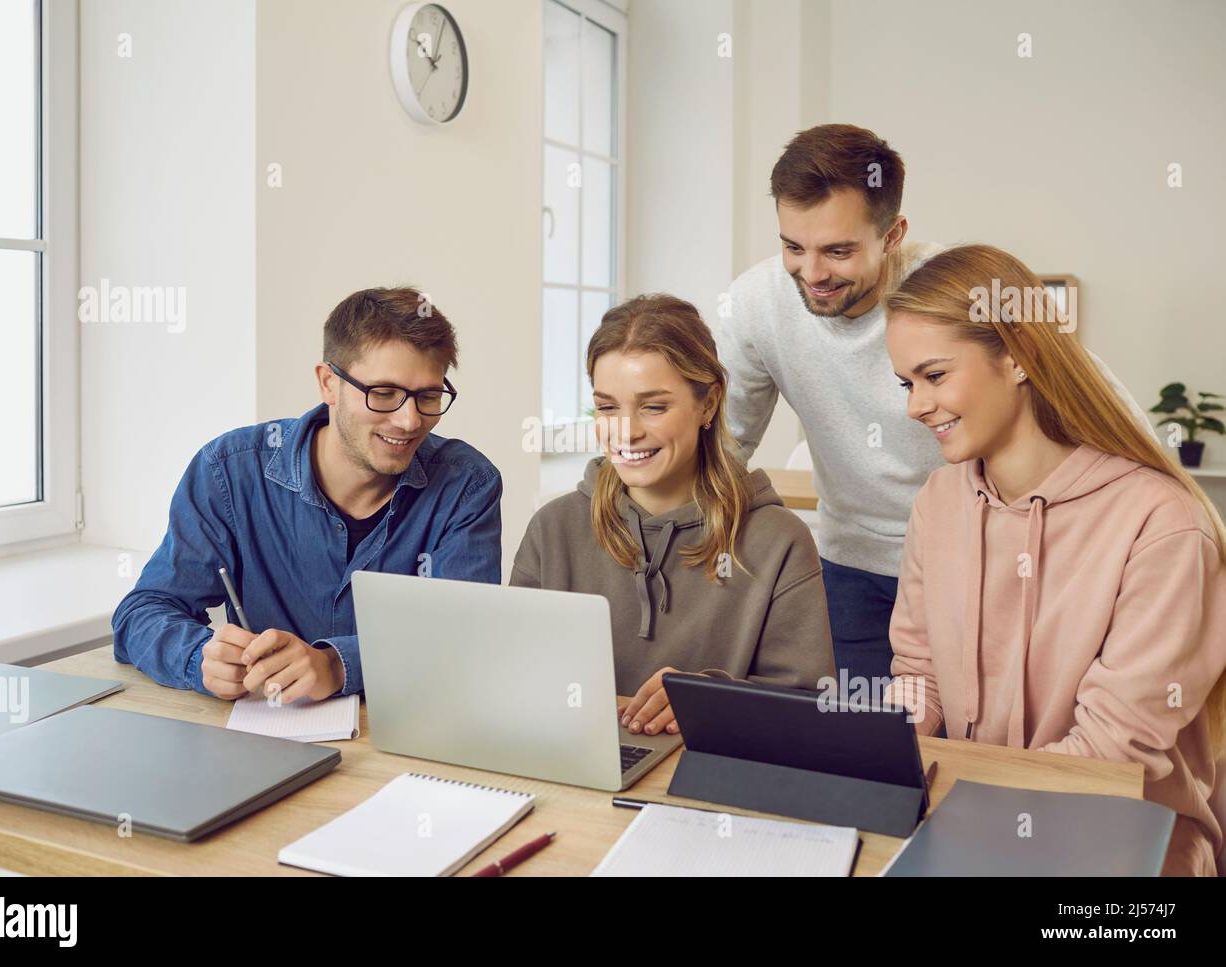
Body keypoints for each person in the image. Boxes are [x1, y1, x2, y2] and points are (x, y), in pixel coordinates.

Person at [716, 123, 1154, 686]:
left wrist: (1178, 532)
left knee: (987, 742)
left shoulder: (959, 289)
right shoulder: (755, 305)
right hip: (852, 565)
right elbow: (724, 444)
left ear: (894, 234)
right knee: (875, 751)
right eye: (793, 247)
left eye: (839, 251)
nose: (814, 273)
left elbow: (1098, 404)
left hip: (978, 558)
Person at [882, 244, 1226, 876]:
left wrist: (971, 810)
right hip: (970, 819)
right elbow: (920, 673)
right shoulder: (938, 502)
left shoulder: (1162, 523)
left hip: (1128, 839)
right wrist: (882, 753)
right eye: (907, 384)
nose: (914, 407)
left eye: (934, 376)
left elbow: (1114, 749)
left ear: (1019, 357)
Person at [113, 287, 502, 701]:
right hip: (263, 745)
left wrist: (337, 665)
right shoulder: (229, 472)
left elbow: (464, 642)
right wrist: (198, 658)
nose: (409, 421)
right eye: (384, 394)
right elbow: (141, 613)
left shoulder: (467, 486)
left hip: (401, 749)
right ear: (328, 383)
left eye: (427, 396)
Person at [510, 294, 835, 738]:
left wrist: (715, 701)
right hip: (574, 775)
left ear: (709, 403)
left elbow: (810, 712)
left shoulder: (780, 542)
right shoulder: (552, 530)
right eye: (607, 407)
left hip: (713, 776)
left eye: (654, 406)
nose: (626, 430)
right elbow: (513, 679)